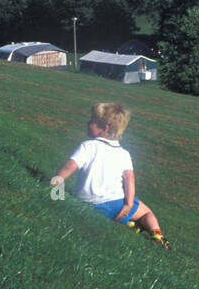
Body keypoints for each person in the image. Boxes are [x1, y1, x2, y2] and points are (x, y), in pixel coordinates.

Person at [49, 102, 168, 248]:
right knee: (146, 213)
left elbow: (69, 167)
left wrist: (54, 185)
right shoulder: (124, 154)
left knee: (135, 214)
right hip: (115, 205)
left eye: (92, 121)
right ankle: (158, 237)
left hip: (86, 203)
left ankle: (130, 223)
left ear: (105, 128)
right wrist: (128, 204)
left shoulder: (88, 146)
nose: (88, 123)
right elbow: (130, 179)